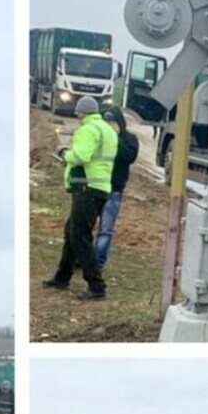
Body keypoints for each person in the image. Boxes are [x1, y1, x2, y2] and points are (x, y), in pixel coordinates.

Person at [42, 95, 117, 300]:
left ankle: (96, 285)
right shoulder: (108, 131)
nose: (77, 115)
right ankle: (62, 277)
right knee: (72, 232)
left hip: (86, 187)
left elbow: (81, 156)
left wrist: (66, 154)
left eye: (78, 112)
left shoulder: (88, 130)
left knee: (79, 237)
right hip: (101, 187)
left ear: (82, 112)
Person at [95, 106, 139, 270]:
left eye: (113, 121)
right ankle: (84, 258)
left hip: (114, 189)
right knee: (87, 224)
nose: (109, 125)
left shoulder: (129, 139)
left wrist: (115, 137)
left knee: (106, 228)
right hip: (95, 186)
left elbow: (128, 156)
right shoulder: (99, 136)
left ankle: (98, 261)